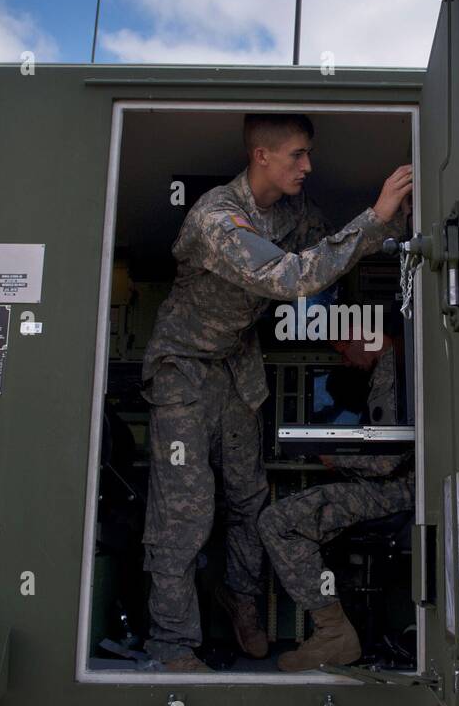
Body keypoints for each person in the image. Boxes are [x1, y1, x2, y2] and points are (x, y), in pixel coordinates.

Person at [140, 113, 412, 671]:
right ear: (261, 156)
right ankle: (172, 645)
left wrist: (397, 225)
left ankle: (240, 599)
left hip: (237, 367)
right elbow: (291, 279)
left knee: (248, 497)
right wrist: (375, 214)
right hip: (183, 368)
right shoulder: (217, 219)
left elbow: (334, 250)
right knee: (185, 509)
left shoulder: (292, 214)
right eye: (297, 155)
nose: (308, 166)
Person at [258, 334, 415, 671]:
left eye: (344, 349)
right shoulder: (399, 366)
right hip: (394, 490)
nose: (344, 360)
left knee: (277, 523)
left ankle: (334, 634)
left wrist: (335, 457)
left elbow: (390, 457)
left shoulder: (392, 376)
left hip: (392, 494)